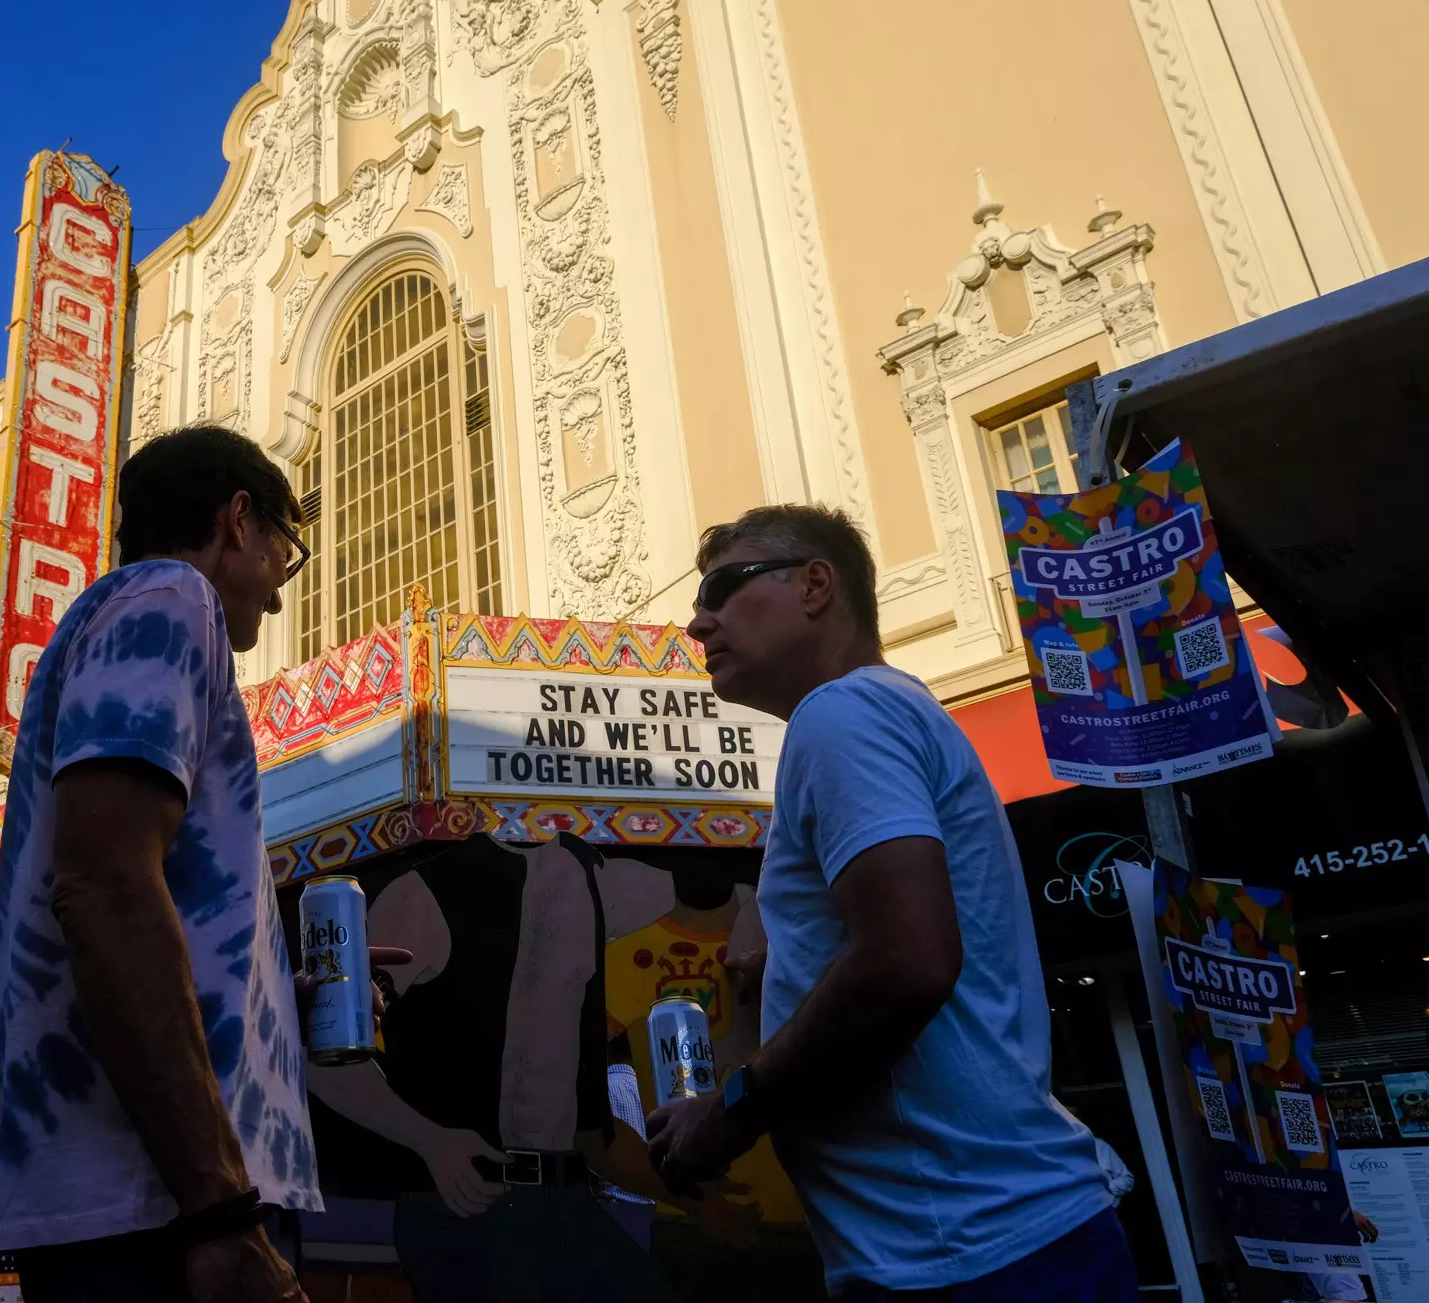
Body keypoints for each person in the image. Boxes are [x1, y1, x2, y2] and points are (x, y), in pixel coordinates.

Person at [648, 504, 1133, 1300]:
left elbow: (907, 959)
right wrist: (794, 972)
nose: (698, 622)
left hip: (973, 1253)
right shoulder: (884, 708)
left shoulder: (842, 712)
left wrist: (730, 1112)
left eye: (723, 589)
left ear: (815, 585)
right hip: (981, 1241)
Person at [0, 424, 400, 1303]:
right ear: (238, 520)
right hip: (166, 1213)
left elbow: (127, 885)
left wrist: (275, 999)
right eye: (286, 553)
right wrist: (221, 1213)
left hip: (160, 1202)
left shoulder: (129, 616)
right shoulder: (170, 597)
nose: (280, 595)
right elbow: (104, 887)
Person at [307, 834, 679, 1302]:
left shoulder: (595, 882)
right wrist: (428, 1140)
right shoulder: (423, 895)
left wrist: (695, 1197)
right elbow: (325, 1059)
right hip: (467, 1202)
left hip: (566, 1200)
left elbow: (591, 1130)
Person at [595, 856, 824, 1301]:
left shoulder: (793, 952)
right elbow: (572, 1086)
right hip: (692, 1211)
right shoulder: (628, 958)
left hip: (794, 1211)